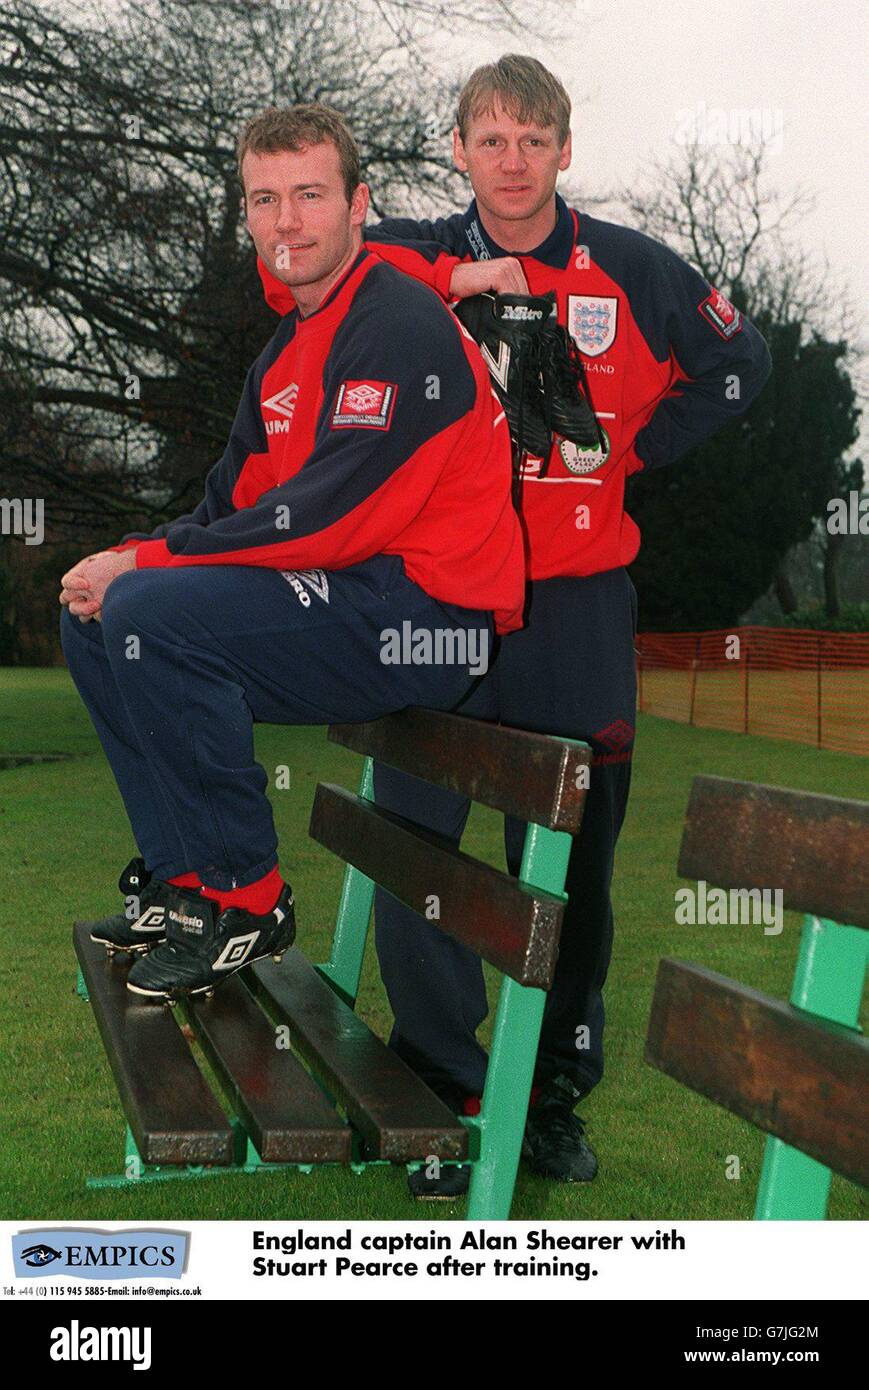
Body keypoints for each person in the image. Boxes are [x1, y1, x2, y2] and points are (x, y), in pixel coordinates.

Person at [257, 56, 772, 1197]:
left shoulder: (628, 267)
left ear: (562, 150)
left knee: (570, 867)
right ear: (457, 148)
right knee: (418, 846)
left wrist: (637, 447)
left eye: (532, 138)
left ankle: (544, 1098)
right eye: (489, 138)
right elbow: (298, 263)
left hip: (575, 610)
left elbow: (739, 362)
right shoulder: (405, 262)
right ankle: (443, 1086)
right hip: (436, 598)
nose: (510, 159)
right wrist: (455, 269)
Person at [59, 102, 524, 1002]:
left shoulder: (396, 319)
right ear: (247, 214)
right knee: (96, 621)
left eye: (309, 194)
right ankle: (184, 883)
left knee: (149, 611)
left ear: (359, 206)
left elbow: (323, 519)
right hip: (352, 594)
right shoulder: (285, 354)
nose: (286, 221)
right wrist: (133, 553)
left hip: (428, 618)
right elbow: (228, 507)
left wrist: (147, 569)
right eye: (265, 199)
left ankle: (247, 901)